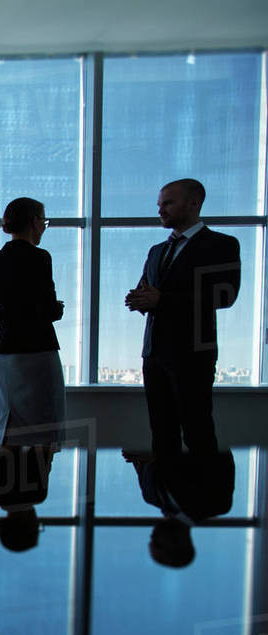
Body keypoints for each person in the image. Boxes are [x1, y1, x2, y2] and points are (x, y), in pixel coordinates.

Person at [125, 179, 240, 457]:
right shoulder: (156, 251)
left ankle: (204, 498)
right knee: (161, 433)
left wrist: (161, 300)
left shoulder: (221, 245)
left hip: (192, 355)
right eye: (159, 204)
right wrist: (139, 300)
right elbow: (148, 289)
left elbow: (224, 296)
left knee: (197, 430)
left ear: (194, 204)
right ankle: (169, 497)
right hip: (153, 355)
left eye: (167, 203)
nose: (160, 210)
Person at [0, 197, 66, 447]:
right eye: (44, 221)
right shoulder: (41, 258)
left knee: (8, 429)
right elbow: (49, 310)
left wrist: (14, 311)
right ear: (34, 222)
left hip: (5, 354)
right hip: (38, 350)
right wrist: (54, 310)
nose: (44, 228)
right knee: (43, 431)